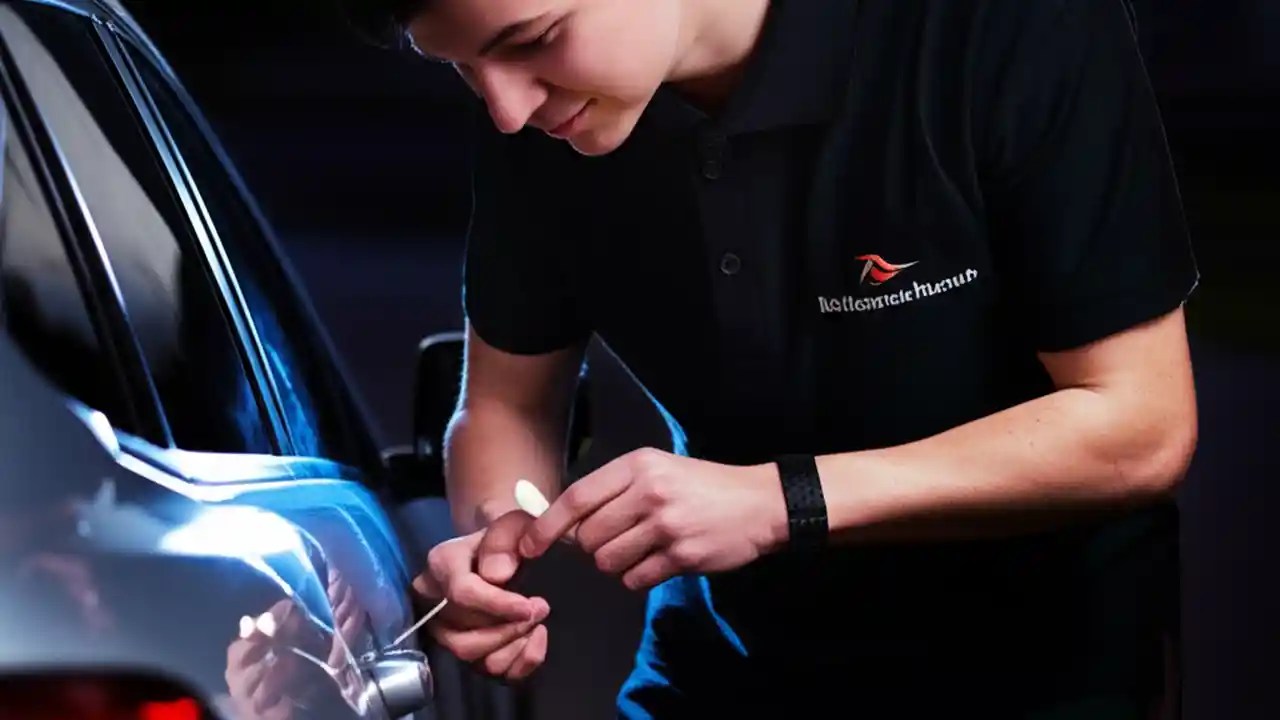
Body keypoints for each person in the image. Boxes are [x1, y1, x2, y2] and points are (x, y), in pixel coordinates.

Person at [346, 0, 1199, 716]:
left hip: (1045, 671)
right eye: (459, 67)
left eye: (528, 40)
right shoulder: (540, 119)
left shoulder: (1007, 28)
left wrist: (779, 501)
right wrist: (495, 544)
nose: (502, 107)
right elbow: (507, 405)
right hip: (722, 674)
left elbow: (1141, 423)